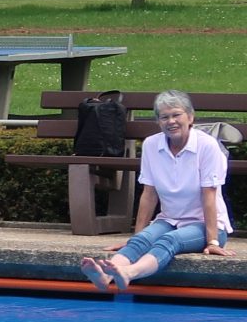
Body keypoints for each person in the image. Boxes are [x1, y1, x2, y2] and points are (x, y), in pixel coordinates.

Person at [82, 89, 231, 291]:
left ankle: (128, 273)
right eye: (164, 117)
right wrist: (137, 237)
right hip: (169, 220)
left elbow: (209, 196)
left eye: (176, 115)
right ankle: (106, 276)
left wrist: (213, 240)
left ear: (190, 117)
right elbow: (149, 195)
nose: (171, 121)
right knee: (142, 240)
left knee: (169, 240)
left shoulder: (207, 146)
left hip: (206, 225)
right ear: (159, 122)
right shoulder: (152, 145)